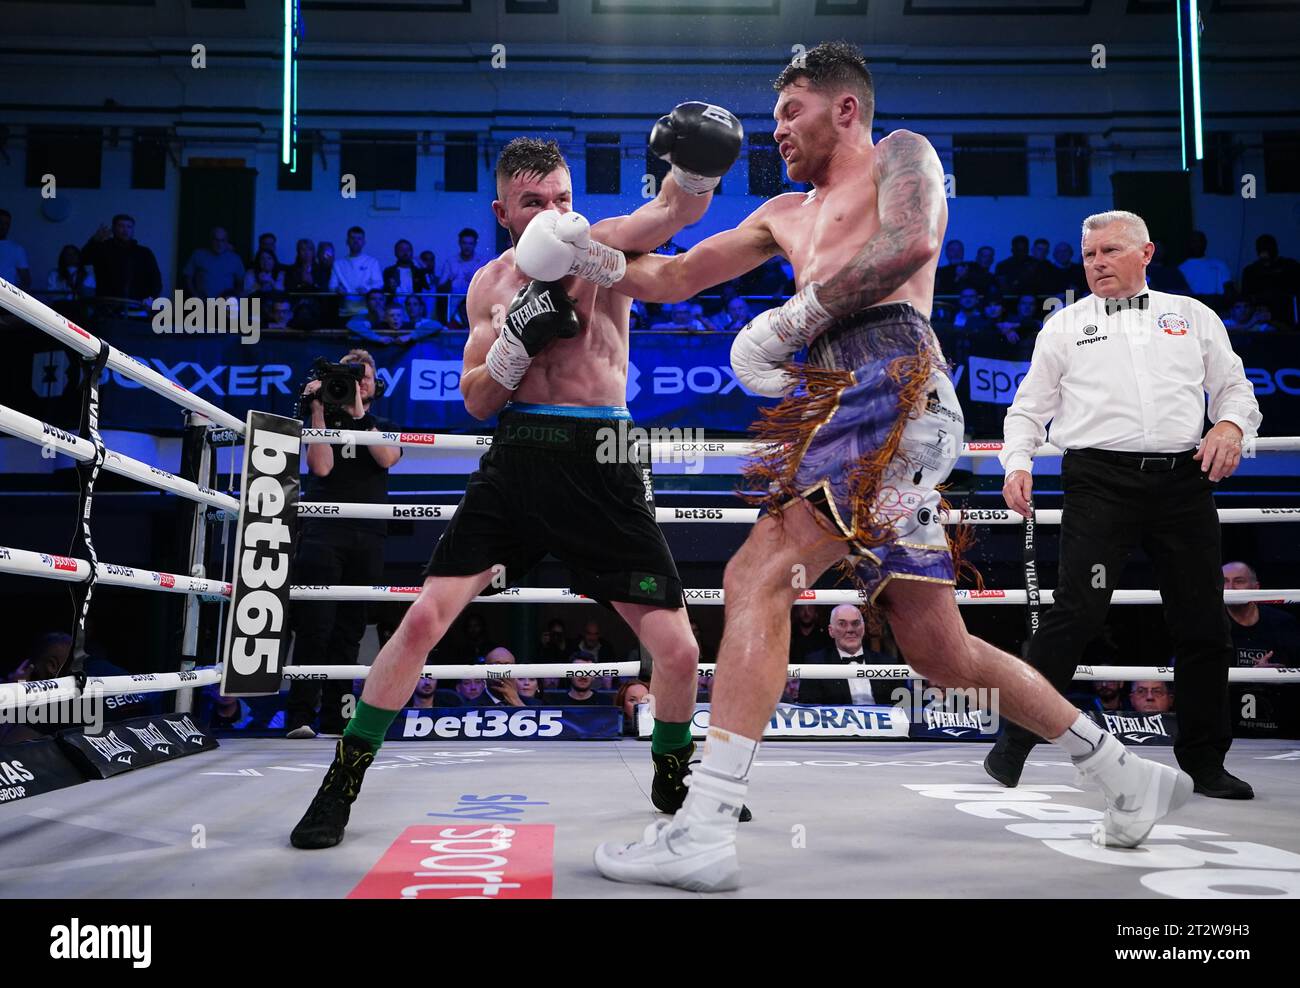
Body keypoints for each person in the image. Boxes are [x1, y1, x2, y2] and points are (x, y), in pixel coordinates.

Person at [535, 43, 1193, 892]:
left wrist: (797, 313)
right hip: (856, 391)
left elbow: (910, 240)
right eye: (773, 117)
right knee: (939, 650)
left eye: (791, 112)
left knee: (756, 572)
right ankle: (1121, 773)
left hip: (887, 371)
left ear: (845, 109)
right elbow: (672, 277)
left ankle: (702, 826)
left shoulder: (900, 155)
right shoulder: (782, 212)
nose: (777, 130)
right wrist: (579, 254)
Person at [290, 112, 747, 849]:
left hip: (603, 456)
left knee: (682, 651)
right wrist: (514, 343)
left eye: (561, 198)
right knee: (423, 621)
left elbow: (673, 212)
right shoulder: (488, 284)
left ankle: (672, 768)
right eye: (532, 203)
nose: (551, 214)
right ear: (501, 212)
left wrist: (697, 166)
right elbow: (476, 399)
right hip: (518, 458)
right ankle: (342, 777)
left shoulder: (603, 249)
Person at [991, 209, 1262, 801]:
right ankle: (1014, 741)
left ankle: (1204, 762)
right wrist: (1017, 463)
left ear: (1146, 253)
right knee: (1075, 613)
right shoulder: (1064, 326)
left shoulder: (1192, 316)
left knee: (1201, 622)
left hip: (1183, 482)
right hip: (1098, 482)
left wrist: (1232, 427)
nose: (1097, 263)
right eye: (1089, 255)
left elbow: (1237, 388)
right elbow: (1027, 409)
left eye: (1110, 251)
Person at [285, 349, 402, 739]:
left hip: (368, 534)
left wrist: (358, 416)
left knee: (350, 629)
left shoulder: (381, 423)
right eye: (352, 377)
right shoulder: (323, 420)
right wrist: (318, 409)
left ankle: (336, 719)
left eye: (364, 376)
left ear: (376, 384)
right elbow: (321, 467)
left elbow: (386, 458)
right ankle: (300, 716)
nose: (359, 383)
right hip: (323, 530)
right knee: (315, 626)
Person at [796, 604, 901, 705]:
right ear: (831, 631)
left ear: (863, 628)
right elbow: (808, 712)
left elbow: (904, 709)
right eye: (842, 624)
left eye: (855, 623)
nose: (850, 630)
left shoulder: (887, 663)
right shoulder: (816, 664)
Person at [81, 214, 162, 302]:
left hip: (137, 305)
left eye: (129, 226)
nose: (125, 230)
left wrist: (150, 300)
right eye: (121, 226)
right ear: (113, 229)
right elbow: (83, 259)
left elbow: (155, 280)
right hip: (106, 305)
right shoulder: (102, 249)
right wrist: (94, 241)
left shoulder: (144, 253)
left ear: (133, 229)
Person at [181, 227, 245, 299]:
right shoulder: (198, 255)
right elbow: (187, 277)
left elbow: (241, 282)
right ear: (211, 240)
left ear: (227, 241)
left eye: (222, 240)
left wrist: (234, 296)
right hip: (202, 303)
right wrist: (195, 295)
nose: (219, 244)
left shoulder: (235, 259)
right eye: (216, 240)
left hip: (225, 304)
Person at [0, 209, 31, 290]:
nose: (2, 226)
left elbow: (25, 279)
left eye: (6, 224)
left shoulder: (17, 249)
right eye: (0, 222)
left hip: (6, 297)